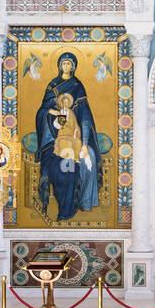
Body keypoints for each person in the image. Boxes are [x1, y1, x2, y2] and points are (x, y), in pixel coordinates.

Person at [35, 53, 102, 222]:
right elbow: (42, 112)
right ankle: (65, 207)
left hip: (76, 141)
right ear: (59, 65)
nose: (66, 66)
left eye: (69, 63)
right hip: (53, 141)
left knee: (91, 157)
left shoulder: (77, 86)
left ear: (73, 66)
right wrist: (52, 113)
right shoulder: (52, 86)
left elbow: (85, 118)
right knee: (66, 167)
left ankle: (85, 200)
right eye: (63, 63)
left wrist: (85, 144)